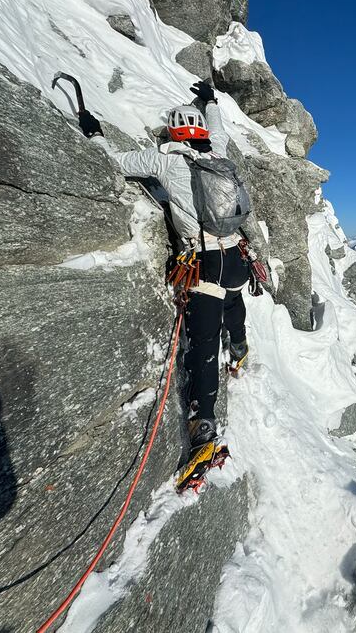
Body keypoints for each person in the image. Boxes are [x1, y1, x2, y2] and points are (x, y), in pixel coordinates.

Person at [78, 81, 248, 478]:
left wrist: (95, 134)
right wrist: (210, 100)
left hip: (204, 262)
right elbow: (218, 130)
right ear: (201, 131)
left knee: (203, 346)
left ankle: (204, 429)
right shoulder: (218, 153)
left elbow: (117, 163)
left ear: (173, 132)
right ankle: (239, 349)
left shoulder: (165, 160)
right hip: (237, 256)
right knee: (233, 300)